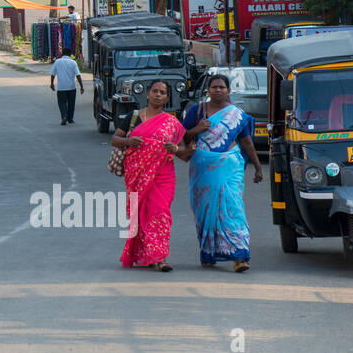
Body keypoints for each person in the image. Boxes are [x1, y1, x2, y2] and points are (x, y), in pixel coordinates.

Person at [182, 73, 264, 271]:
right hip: (203, 168)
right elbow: (182, 135)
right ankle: (209, 252)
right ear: (208, 90)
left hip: (230, 165)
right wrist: (197, 129)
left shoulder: (236, 114)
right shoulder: (197, 110)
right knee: (205, 210)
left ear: (228, 91)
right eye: (214, 87)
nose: (218, 90)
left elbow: (246, 141)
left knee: (233, 208)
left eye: (222, 87)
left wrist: (258, 166)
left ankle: (240, 256)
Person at [110, 80, 190, 272]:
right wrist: (129, 140)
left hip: (163, 176)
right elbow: (115, 139)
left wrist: (175, 148)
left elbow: (185, 150)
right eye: (155, 91)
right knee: (141, 214)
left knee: (160, 212)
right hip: (137, 174)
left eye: (162, 92)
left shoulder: (171, 122)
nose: (158, 95)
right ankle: (149, 254)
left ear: (167, 97)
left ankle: (160, 257)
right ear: (147, 94)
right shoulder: (134, 116)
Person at [49, 50, 84, 125]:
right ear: (70, 54)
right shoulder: (73, 62)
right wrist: (81, 86)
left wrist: (52, 83)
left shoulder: (57, 62)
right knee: (71, 103)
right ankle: (70, 119)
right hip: (71, 87)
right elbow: (78, 75)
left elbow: (52, 74)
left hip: (61, 87)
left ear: (62, 53)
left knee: (62, 103)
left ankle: (64, 117)